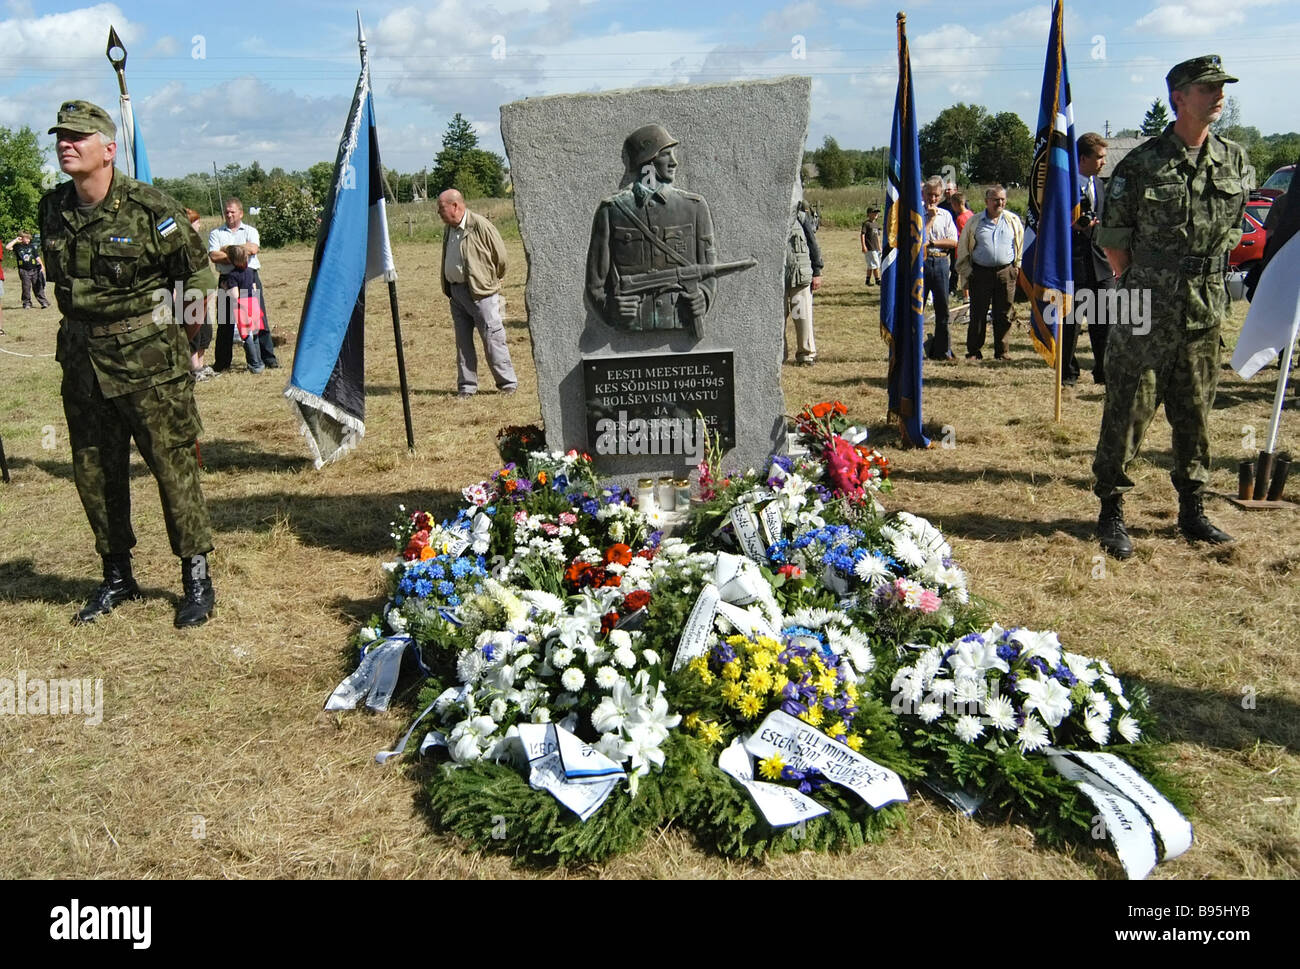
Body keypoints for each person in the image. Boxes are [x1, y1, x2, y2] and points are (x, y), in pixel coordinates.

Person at [38, 99, 218, 627]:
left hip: (149, 365)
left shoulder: (148, 208)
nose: (66, 144)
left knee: (172, 467)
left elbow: (199, 278)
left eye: (79, 137)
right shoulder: (53, 209)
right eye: (61, 137)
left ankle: (196, 577)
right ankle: (117, 576)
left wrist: (183, 341)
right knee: (95, 470)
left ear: (109, 149)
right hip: (83, 363)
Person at [1092, 55, 1249, 559]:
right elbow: (1114, 243)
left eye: (1221, 87)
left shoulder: (1236, 161)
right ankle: (1112, 510)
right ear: (1179, 97)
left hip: (1205, 311)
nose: (1218, 94)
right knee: (1129, 410)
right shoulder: (1141, 164)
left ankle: (1192, 510)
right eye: (1207, 87)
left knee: (1196, 414)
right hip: (1144, 309)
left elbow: (1236, 229)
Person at [584, 124, 721, 334]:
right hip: (634, 321)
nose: (674, 162)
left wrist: (703, 297)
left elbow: (708, 271)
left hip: (678, 317)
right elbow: (595, 283)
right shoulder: (612, 210)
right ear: (646, 161)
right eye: (666, 154)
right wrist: (610, 309)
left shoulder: (694, 207)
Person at [438, 188, 517, 398]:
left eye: (441, 208)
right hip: (456, 294)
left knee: (492, 338)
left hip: (481, 293)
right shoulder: (449, 228)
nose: (439, 213)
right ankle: (467, 387)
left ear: (455, 206)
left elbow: (501, 257)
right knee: (463, 343)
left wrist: (491, 280)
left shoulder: (480, 225)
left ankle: (507, 384)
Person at [1063, 133, 1114, 386]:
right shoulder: (1064, 187)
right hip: (1074, 265)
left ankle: (1104, 372)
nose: (1104, 162)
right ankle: (1068, 374)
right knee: (1071, 323)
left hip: (1102, 266)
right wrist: (1072, 227)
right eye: (1100, 157)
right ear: (1083, 158)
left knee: (1104, 322)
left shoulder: (1101, 185)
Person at [208, 196, 279, 372]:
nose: (229, 214)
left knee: (258, 319)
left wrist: (227, 250)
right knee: (225, 322)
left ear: (241, 213)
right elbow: (214, 256)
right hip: (226, 280)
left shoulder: (250, 230)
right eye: (226, 212)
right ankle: (222, 364)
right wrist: (240, 253)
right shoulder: (216, 233)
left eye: (232, 211)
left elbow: (253, 249)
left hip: (249, 278)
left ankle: (268, 358)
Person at [956, 185, 1023, 360]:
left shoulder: (1013, 221)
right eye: (995, 199)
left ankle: (1002, 352)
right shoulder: (974, 222)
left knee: (1004, 313)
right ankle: (974, 351)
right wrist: (968, 271)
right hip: (980, 273)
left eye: (1002, 199)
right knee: (978, 313)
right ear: (987, 202)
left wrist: (1016, 267)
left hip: (1006, 273)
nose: (999, 203)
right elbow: (963, 248)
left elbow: (1020, 245)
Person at [920, 176, 958, 360]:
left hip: (941, 263)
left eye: (936, 195)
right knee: (917, 307)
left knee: (942, 308)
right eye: (929, 195)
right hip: (921, 264)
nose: (932, 199)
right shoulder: (917, 214)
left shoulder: (946, 215)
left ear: (941, 195)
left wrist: (933, 242)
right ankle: (915, 348)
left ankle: (943, 350)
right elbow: (917, 242)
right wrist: (929, 220)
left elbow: (953, 241)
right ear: (923, 193)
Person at [784, 194, 823, 366]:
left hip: (799, 275)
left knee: (802, 316)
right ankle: (778, 354)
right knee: (777, 318)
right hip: (777, 278)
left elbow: (812, 243)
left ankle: (806, 354)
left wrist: (817, 271)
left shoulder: (800, 216)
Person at [217, 244, 266, 373]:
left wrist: (225, 288)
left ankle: (254, 365)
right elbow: (254, 288)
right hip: (253, 303)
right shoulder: (250, 271)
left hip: (242, 307)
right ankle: (259, 362)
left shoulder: (232, 276)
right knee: (254, 333)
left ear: (231, 260)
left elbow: (235, 295)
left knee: (246, 336)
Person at [183, 209, 215, 381]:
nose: (199, 225)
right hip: (189, 292)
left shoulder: (197, 243)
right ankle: (194, 368)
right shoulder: (182, 244)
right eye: (196, 222)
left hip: (202, 292)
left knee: (205, 331)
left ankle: (201, 365)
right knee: (193, 333)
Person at [5, 230, 52, 309]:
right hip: (23, 270)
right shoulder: (17, 247)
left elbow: (37, 256)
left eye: (29, 239)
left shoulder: (32, 246)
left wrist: (42, 265)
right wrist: (16, 240)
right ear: (21, 238)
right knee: (26, 287)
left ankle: (44, 302)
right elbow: (7, 247)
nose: (28, 240)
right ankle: (27, 303)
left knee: (38, 286)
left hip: (34, 269)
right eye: (26, 238)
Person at [861, 206, 882, 286]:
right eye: (874, 212)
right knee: (876, 264)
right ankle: (878, 280)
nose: (876, 214)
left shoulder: (876, 224)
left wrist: (880, 247)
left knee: (871, 265)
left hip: (876, 247)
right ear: (869, 214)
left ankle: (867, 280)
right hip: (870, 247)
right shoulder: (867, 224)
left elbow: (877, 236)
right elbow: (863, 235)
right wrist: (864, 246)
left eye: (877, 212)